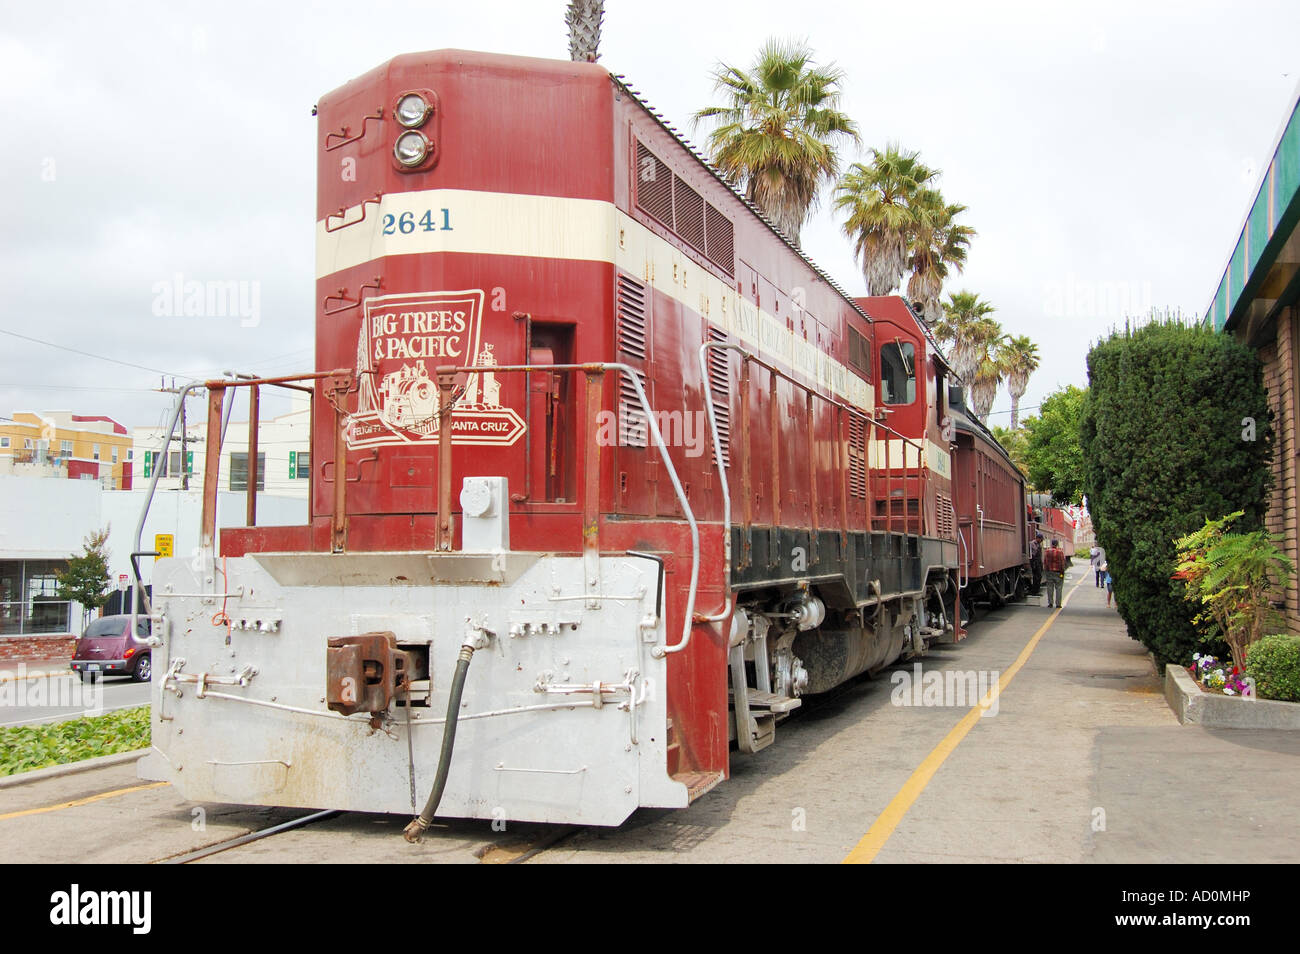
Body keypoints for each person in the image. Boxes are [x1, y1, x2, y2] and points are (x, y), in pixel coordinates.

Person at [1043, 538, 1066, 608]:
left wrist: (1046, 570)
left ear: (1051, 544)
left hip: (1049, 572)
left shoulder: (1047, 552)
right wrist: (1062, 572)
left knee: (1050, 588)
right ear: (1057, 544)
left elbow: (1045, 562)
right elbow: (1062, 563)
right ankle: (1058, 604)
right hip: (1058, 573)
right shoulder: (1060, 552)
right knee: (1059, 588)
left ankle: (1050, 603)